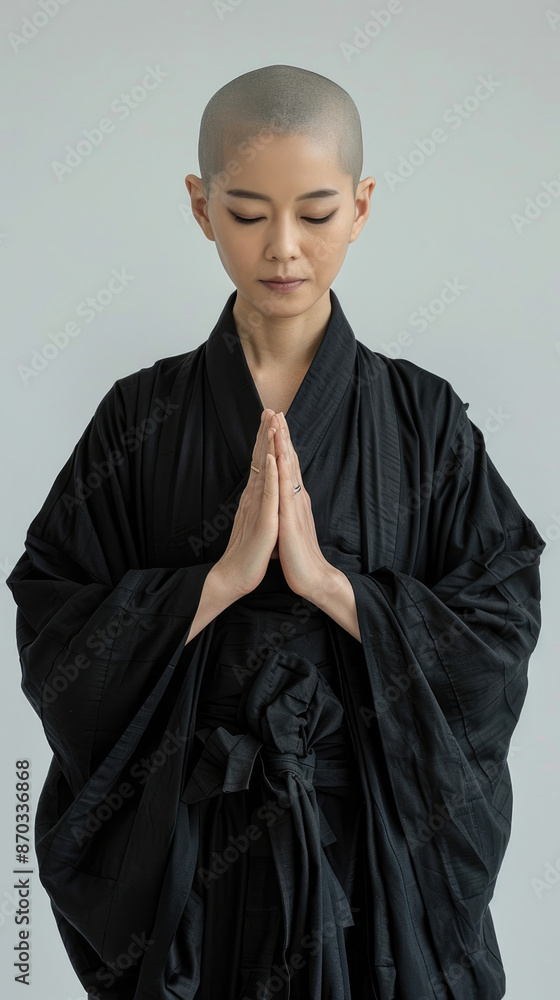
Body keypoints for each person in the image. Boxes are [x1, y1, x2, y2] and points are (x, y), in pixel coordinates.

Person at [5, 64, 545, 1000]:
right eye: (248, 214)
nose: (283, 248)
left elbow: (498, 627)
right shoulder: (140, 417)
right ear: (200, 204)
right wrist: (215, 582)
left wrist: (336, 590)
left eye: (318, 213)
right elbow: (52, 619)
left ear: (364, 205)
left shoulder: (422, 420)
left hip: (372, 848)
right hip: (194, 851)